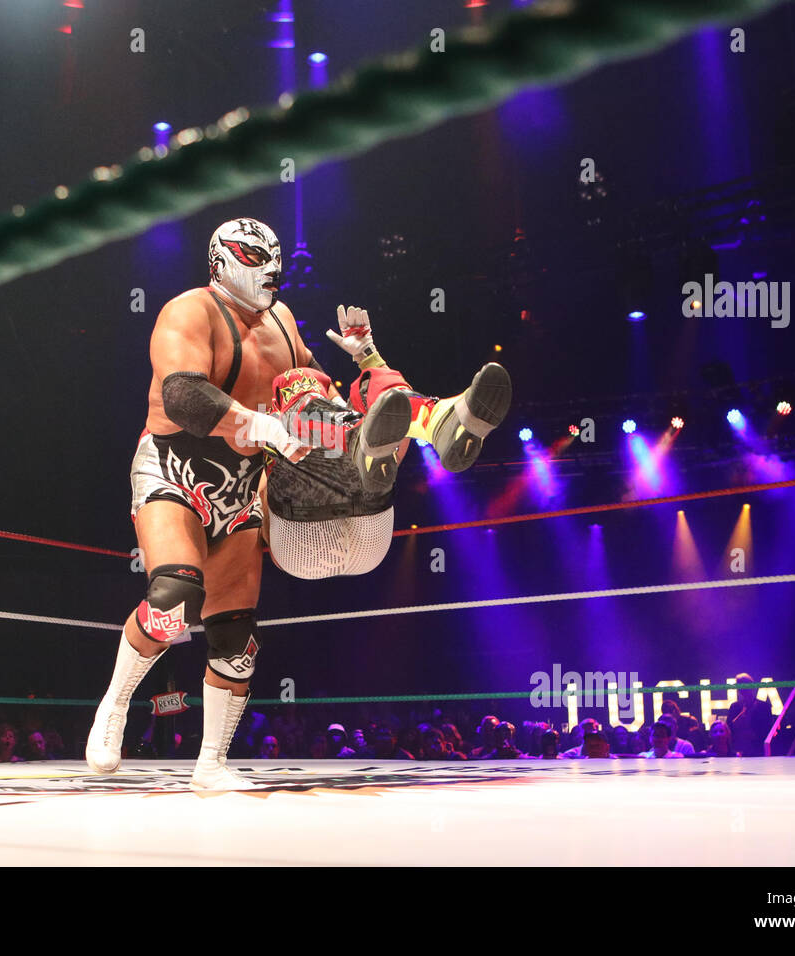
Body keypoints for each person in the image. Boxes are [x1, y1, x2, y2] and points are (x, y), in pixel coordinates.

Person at [87, 218, 332, 791]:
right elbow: (183, 394)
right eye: (255, 256)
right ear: (221, 260)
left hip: (242, 487)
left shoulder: (282, 318)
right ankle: (116, 703)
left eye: (274, 256)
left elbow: (308, 382)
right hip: (176, 470)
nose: (270, 267)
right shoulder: (187, 311)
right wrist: (264, 424)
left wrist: (347, 418)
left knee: (237, 637)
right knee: (175, 596)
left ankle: (212, 764)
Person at [260, 306, 511, 580]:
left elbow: (372, 422)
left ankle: (437, 421)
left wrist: (367, 355)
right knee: (296, 381)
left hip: (336, 531)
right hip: (313, 534)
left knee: (376, 386)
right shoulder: (259, 401)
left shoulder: (316, 402)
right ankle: (393, 428)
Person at [727, 673, 774, 757]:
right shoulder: (734, 707)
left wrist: (754, 735)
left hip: (758, 748)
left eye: (745, 686)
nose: (742, 690)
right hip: (739, 748)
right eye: (740, 686)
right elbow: (728, 728)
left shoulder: (764, 707)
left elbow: (769, 730)